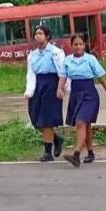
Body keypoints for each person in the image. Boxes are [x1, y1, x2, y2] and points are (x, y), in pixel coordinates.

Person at [58, 34, 106, 166]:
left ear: (84, 45)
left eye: (81, 44)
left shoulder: (90, 59)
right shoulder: (67, 60)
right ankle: (90, 153)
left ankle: (76, 155)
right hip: (75, 94)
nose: (78, 47)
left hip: (89, 94)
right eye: (75, 44)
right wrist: (59, 88)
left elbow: (101, 76)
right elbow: (63, 76)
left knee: (81, 122)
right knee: (86, 125)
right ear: (71, 45)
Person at [24, 25, 65, 162]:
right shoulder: (32, 54)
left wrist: (61, 87)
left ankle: (48, 152)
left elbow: (62, 71)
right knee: (35, 116)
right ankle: (56, 139)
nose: (38, 36)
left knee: (47, 119)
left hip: (51, 84)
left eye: (41, 33)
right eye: (36, 34)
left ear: (47, 36)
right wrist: (29, 90)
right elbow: (30, 73)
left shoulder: (55, 52)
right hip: (38, 84)